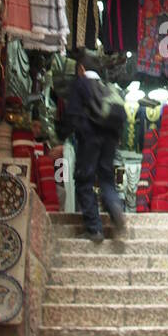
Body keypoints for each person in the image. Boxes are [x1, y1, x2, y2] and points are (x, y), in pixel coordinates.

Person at [64, 47, 126, 243]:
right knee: (107, 178)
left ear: (81, 68)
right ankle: (115, 207)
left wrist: (63, 136)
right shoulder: (107, 87)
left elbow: (72, 115)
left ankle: (94, 229)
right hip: (109, 140)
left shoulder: (80, 83)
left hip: (89, 139)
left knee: (84, 180)